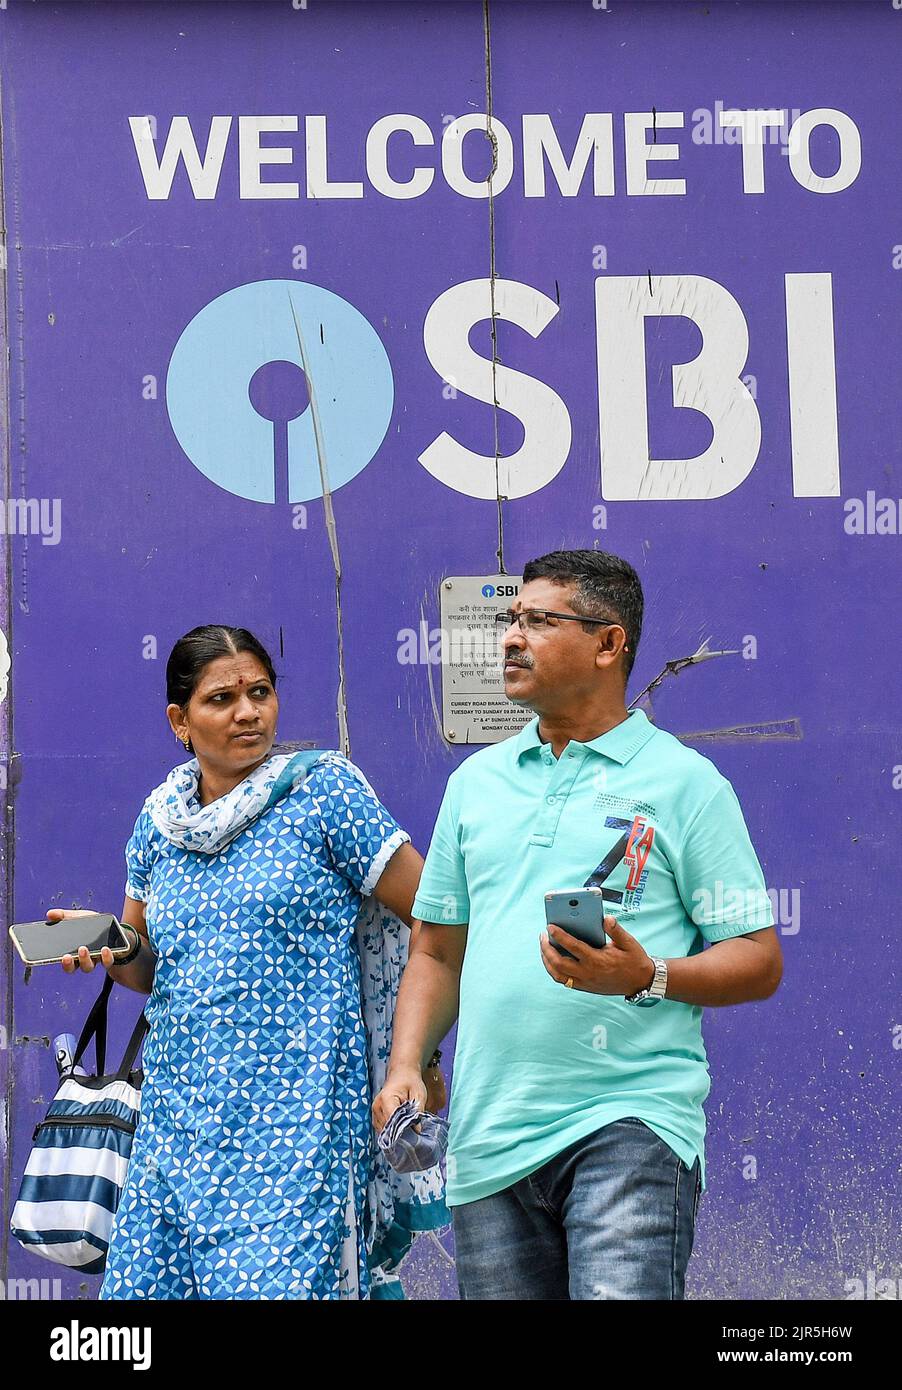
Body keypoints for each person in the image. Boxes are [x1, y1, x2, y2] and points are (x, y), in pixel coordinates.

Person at [374, 549, 783, 1301]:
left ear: (607, 644)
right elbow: (436, 952)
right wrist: (407, 1064)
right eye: (510, 619)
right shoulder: (476, 784)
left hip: (630, 1127)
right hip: (490, 1144)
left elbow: (758, 960)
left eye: (537, 620)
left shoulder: (686, 783)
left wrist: (646, 976)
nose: (510, 637)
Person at [49, 623, 444, 1300]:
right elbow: (148, 969)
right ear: (180, 720)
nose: (248, 712)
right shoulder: (159, 820)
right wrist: (112, 946)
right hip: (178, 1124)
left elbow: (436, 918)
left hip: (297, 1127)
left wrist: (417, 1057)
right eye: (222, 698)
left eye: (260, 692)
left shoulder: (324, 792)